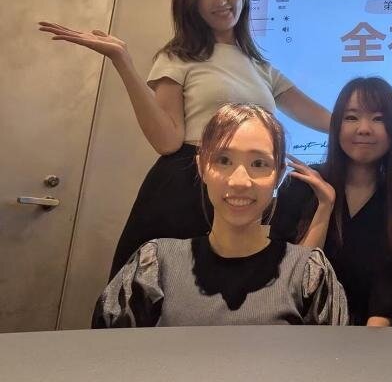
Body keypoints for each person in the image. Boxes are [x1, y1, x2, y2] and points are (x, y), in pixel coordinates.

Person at [40, 0, 331, 278]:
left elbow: (325, 119)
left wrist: (380, 126)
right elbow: (167, 141)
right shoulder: (179, 57)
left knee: (229, 291)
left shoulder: (261, 67)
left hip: (239, 186)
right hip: (184, 187)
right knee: (160, 288)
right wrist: (122, 61)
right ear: (190, 2)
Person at [92, 103, 348, 328]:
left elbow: (327, 362)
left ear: (279, 175)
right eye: (223, 160)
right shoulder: (154, 265)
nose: (239, 181)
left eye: (259, 164)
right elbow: (112, 355)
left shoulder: (309, 274)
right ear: (202, 167)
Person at [270, 77, 392, 327]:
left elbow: (391, 294)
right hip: (299, 331)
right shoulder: (301, 185)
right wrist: (325, 207)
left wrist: (365, 346)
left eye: (378, 119)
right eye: (351, 117)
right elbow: (289, 282)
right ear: (336, 126)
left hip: (375, 338)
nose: (364, 128)